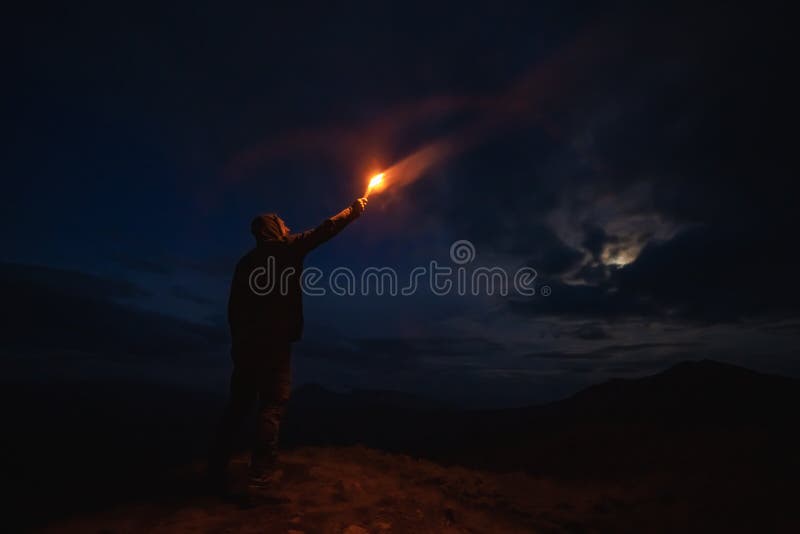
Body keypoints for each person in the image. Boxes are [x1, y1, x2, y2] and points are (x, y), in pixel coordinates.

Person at [209, 197, 368, 494]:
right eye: (283, 223)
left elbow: (234, 309)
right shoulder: (287, 250)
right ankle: (259, 480)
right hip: (275, 347)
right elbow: (325, 230)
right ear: (273, 228)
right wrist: (354, 211)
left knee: (238, 407)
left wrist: (237, 344)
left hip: (245, 348)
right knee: (271, 405)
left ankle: (215, 468)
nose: (288, 225)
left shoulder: (245, 263)